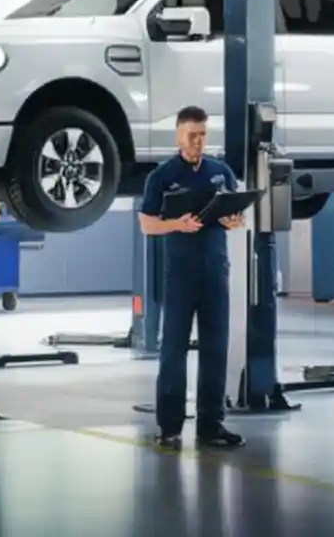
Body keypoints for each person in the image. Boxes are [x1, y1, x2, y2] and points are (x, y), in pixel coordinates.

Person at [137, 105, 247, 449]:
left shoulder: (221, 172)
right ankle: (170, 428)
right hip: (181, 274)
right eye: (192, 135)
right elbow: (147, 224)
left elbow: (235, 213)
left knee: (215, 348)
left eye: (203, 135)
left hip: (215, 271)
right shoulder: (162, 176)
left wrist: (234, 220)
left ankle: (212, 425)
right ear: (178, 135)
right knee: (174, 350)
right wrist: (177, 224)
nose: (198, 141)